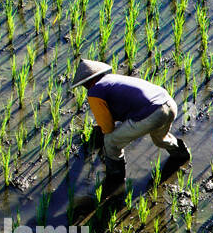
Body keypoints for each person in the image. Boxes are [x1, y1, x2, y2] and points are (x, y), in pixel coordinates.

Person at [72, 59, 190, 187]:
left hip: (152, 114)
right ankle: (182, 154)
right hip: (169, 104)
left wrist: (103, 135)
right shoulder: (113, 79)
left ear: (87, 82)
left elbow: (107, 127)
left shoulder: (95, 91)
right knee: (160, 139)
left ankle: (115, 179)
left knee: (111, 141)